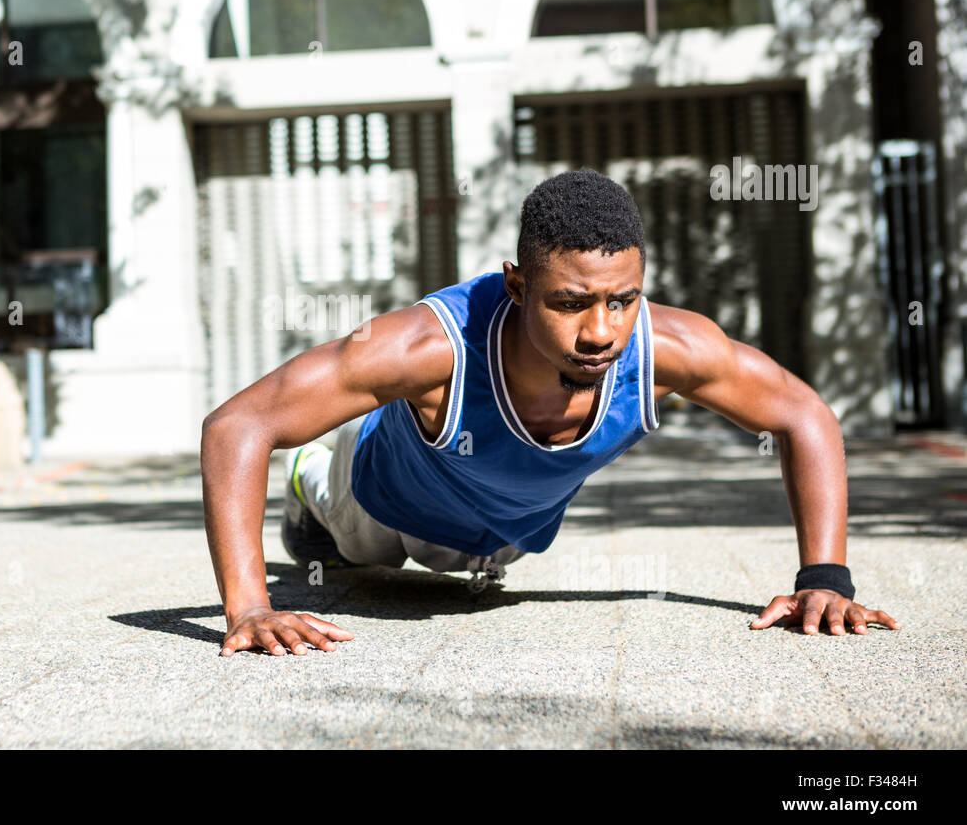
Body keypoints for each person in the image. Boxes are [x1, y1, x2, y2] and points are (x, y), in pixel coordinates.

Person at [200, 169, 901, 657]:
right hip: (377, 497)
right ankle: (309, 486)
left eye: (621, 300)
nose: (601, 330)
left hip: (497, 541)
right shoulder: (426, 346)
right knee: (357, 551)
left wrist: (825, 580)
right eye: (569, 303)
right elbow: (237, 425)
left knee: (451, 571)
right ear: (517, 283)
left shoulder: (671, 348)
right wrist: (250, 609)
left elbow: (803, 414)